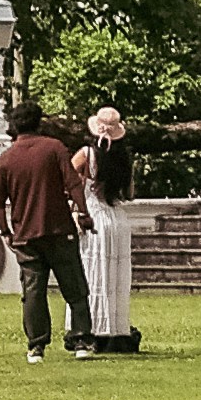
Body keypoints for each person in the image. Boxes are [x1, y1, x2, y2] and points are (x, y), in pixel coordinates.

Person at [0, 92, 96, 366]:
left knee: (33, 291)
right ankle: (80, 339)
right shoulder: (54, 148)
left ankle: (36, 346)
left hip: (26, 235)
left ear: (13, 126)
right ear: (40, 122)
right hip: (58, 229)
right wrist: (83, 213)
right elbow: (73, 184)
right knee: (74, 287)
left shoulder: (7, 159)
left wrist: (6, 231)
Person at [79, 103, 141, 354]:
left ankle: (93, 329)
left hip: (96, 217)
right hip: (118, 219)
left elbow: (68, 182)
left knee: (94, 275)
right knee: (116, 277)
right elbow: (129, 194)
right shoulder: (124, 159)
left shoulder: (87, 155)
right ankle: (116, 330)